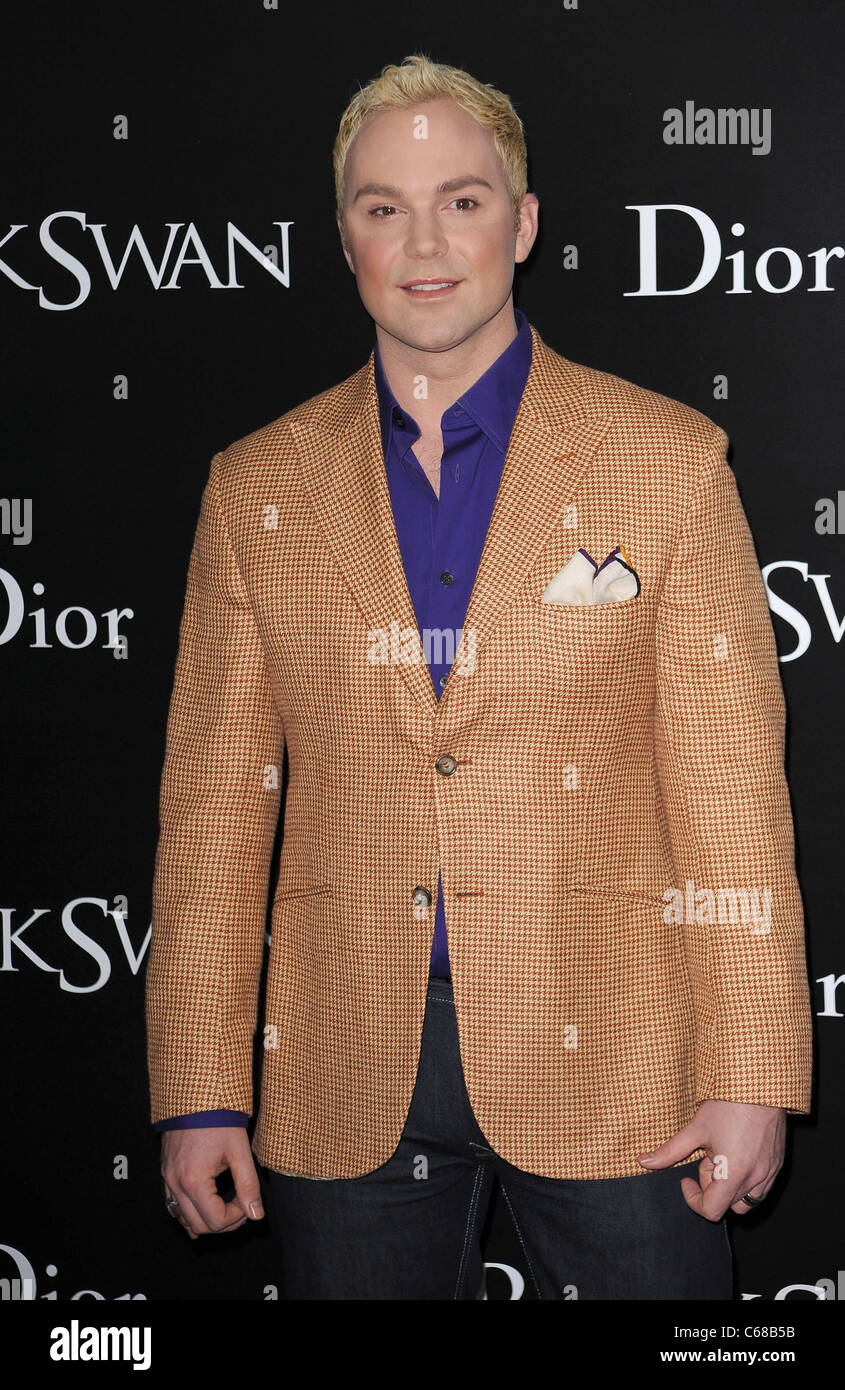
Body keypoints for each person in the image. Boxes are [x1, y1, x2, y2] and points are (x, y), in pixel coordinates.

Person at [146, 53, 813, 1300]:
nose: (424, 240)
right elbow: (215, 813)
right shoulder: (255, 489)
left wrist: (752, 1067)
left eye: (461, 198)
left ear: (523, 220)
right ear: (342, 233)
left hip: (623, 1060)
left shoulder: (667, 461)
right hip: (343, 1066)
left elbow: (730, 798)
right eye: (381, 205)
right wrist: (197, 1084)